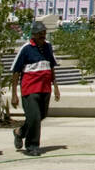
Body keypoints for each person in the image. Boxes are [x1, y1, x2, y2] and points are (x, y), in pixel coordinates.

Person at [11, 22, 61, 157]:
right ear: (33, 35)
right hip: (30, 88)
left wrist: (56, 87)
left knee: (41, 115)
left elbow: (51, 67)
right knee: (34, 116)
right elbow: (16, 72)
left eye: (44, 33)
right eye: (40, 34)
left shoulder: (48, 47)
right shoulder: (26, 49)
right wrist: (14, 94)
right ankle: (32, 145)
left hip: (45, 88)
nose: (42, 36)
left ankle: (20, 132)